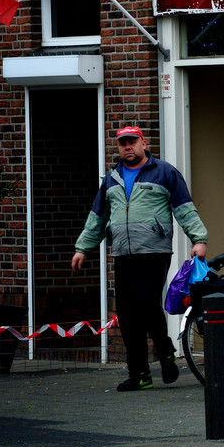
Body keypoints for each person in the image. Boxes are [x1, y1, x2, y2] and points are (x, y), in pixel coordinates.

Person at [72, 125, 208, 391]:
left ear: (143, 144)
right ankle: (140, 374)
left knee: (146, 303)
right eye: (123, 143)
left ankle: (165, 351)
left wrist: (199, 239)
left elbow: (184, 207)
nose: (128, 147)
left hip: (154, 251)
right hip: (123, 253)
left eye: (132, 142)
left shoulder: (164, 172)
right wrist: (82, 248)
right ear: (118, 147)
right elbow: (97, 217)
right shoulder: (111, 178)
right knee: (126, 314)